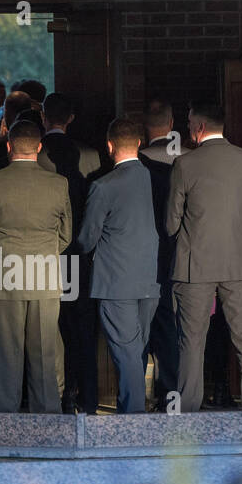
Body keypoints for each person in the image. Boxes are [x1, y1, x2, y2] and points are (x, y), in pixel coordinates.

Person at [166, 100, 242, 412]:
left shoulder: (185, 164)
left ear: (199, 128)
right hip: (237, 259)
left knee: (192, 341)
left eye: (188, 123)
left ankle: (188, 410)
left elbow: (171, 222)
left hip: (195, 263)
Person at [0, 119, 72, 413]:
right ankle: (47, 420)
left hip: (2, 277)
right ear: (39, 148)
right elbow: (65, 235)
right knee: (44, 355)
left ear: (8, 146)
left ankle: (6, 420)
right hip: (44, 276)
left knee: (6, 357)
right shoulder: (58, 183)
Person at [77, 119, 161, 414]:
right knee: (137, 349)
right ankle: (134, 409)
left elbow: (87, 239)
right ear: (139, 143)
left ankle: (133, 420)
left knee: (126, 351)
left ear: (109, 145)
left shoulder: (103, 186)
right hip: (151, 278)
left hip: (116, 280)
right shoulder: (158, 177)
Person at [39, 92, 101, 413]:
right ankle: (87, 397)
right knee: (82, 328)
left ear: (43, 116)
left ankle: (55, 394)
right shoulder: (91, 155)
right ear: (71, 118)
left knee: (49, 327)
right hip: (81, 252)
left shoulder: (37, 157)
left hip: (45, 254)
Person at [138, 99, 181, 409]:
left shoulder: (137, 163)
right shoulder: (188, 160)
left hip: (140, 254)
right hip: (175, 255)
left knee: (137, 330)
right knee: (169, 331)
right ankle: (170, 396)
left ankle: (135, 395)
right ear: (171, 123)